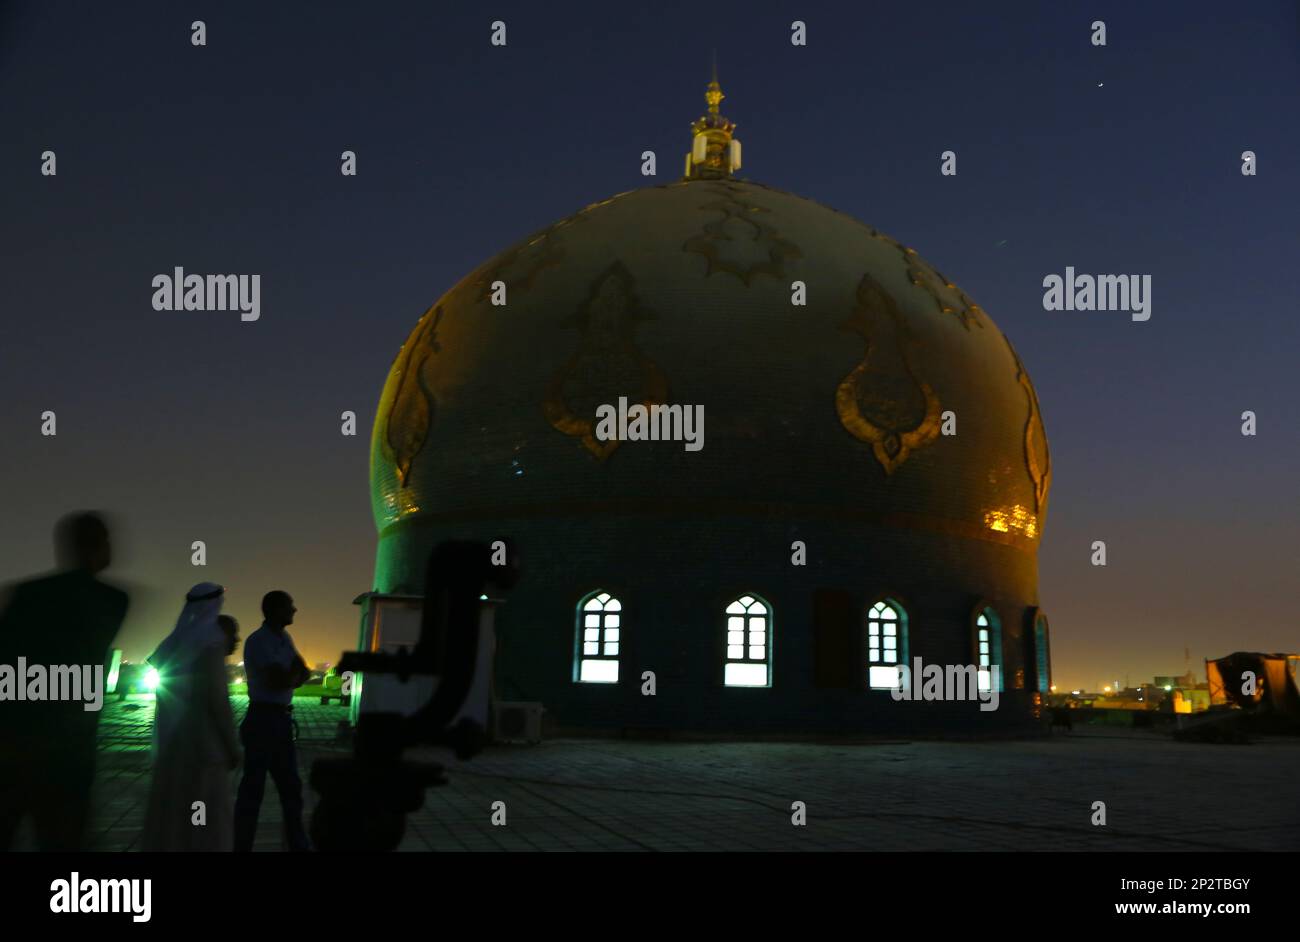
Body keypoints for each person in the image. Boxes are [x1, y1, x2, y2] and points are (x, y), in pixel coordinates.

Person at [0, 512, 130, 851]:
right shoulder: (112, 601)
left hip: (15, 749)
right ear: (99, 546)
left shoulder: (28, 595)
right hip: (68, 758)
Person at [139, 585, 241, 851]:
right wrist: (232, 746)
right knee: (207, 827)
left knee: (174, 822)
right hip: (205, 751)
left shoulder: (175, 643)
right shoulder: (209, 642)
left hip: (174, 747)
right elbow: (217, 700)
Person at [234, 590, 312, 851]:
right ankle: (241, 845)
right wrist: (291, 677)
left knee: (292, 788)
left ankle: (298, 843)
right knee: (252, 791)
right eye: (289, 606)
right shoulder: (258, 642)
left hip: (280, 720)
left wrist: (290, 676)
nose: (294, 610)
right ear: (275, 610)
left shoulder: (284, 638)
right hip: (263, 720)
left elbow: (304, 671)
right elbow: (278, 680)